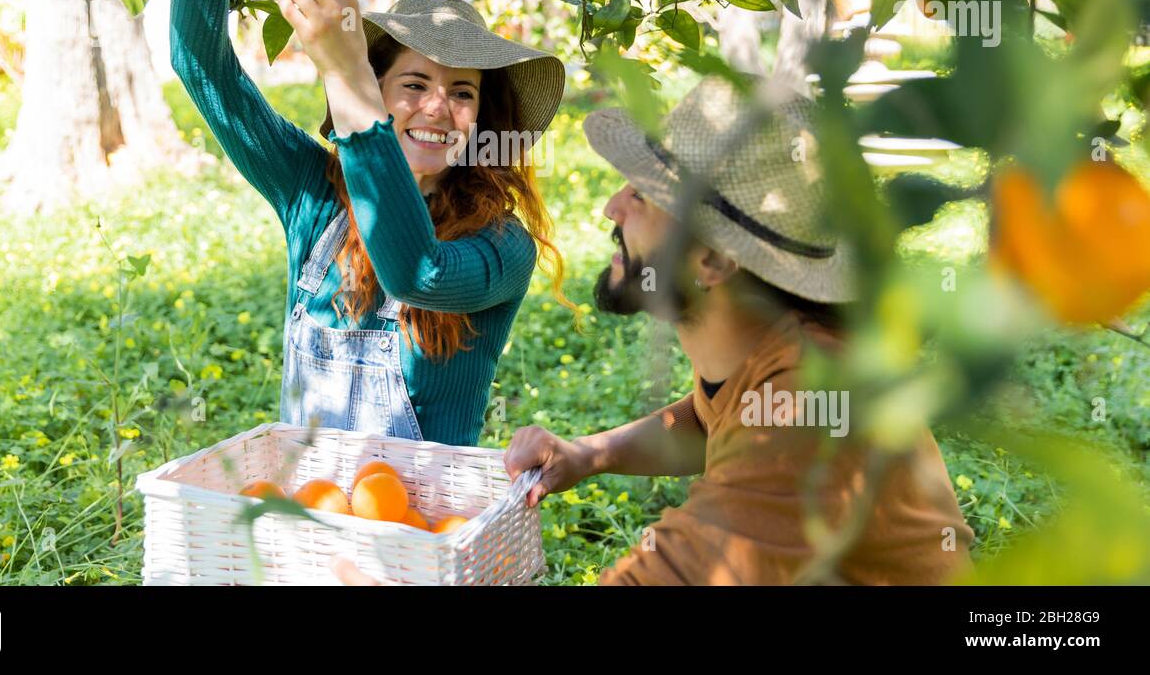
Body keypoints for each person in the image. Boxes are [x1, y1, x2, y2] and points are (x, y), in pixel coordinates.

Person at [334, 74, 974, 585]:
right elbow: (706, 420)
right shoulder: (768, 352)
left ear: (714, 260)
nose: (611, 206)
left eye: (643, 194)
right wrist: (590, 455)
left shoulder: (804, 421)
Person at [171, 0, 569, 446]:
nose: (438, 107)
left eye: (464, 92)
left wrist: (348, 71)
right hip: (309, 523)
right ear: (377, 95)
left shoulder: (502, 247)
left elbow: (416, 270)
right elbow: (199, 64)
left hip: (423, 533)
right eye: (412, 82)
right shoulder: (315, 196)